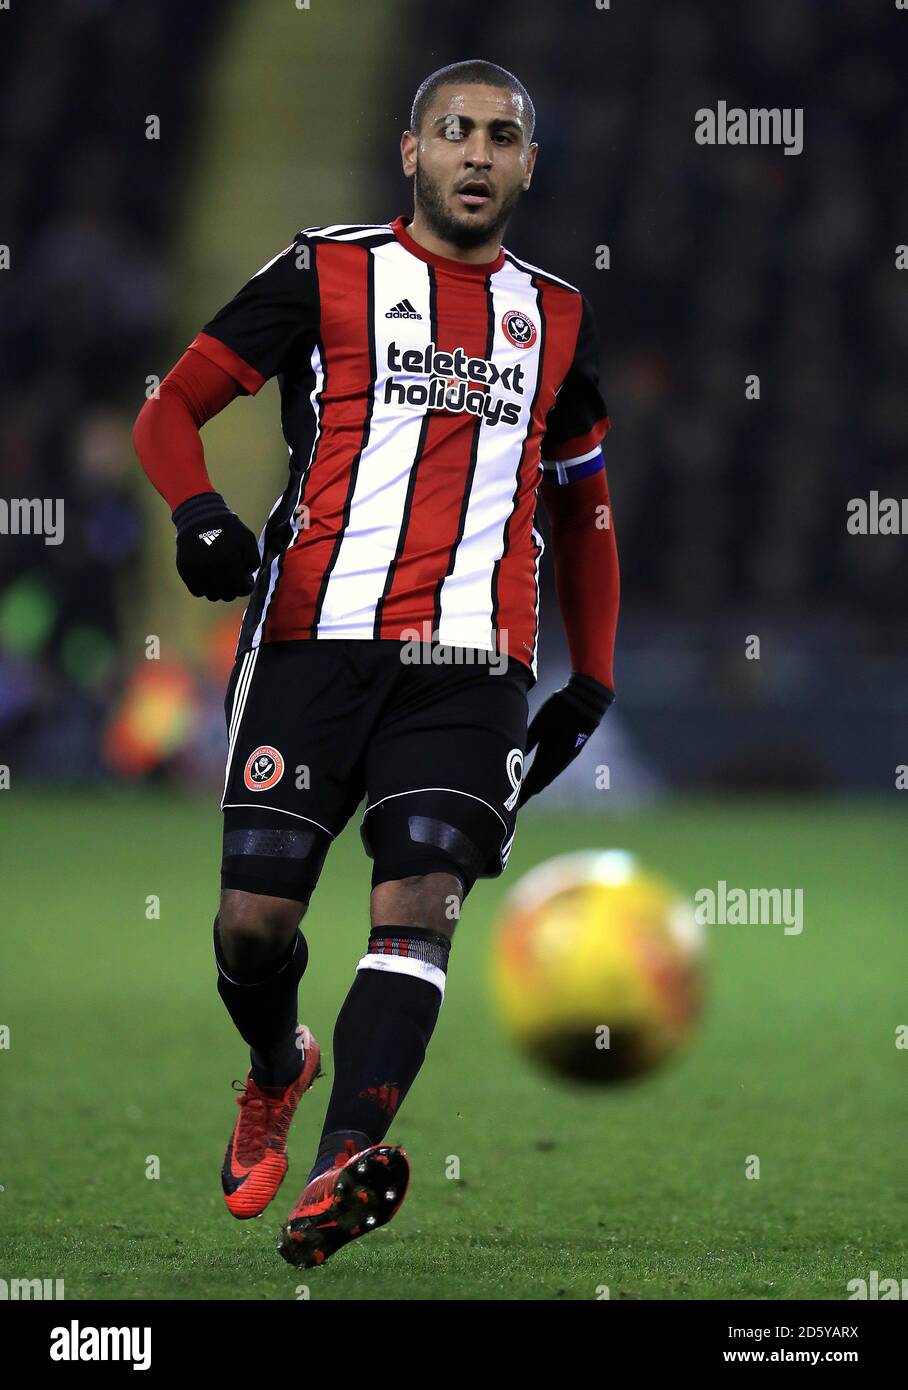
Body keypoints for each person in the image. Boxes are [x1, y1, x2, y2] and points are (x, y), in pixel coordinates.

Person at [133, 58, 620, 1269]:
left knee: (418, 907)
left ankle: (345, 1154)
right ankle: (278, 1064)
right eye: (452, 132)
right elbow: (169, 408)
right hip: (311, 642)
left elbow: (584, 506)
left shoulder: (554, 316)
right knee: (253, 926)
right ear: (410, 152)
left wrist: (591, 678)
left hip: (471, 668)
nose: (475, 154)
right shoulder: (325, 267)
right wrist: (197, 512)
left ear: (525, 165)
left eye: (501, 136)